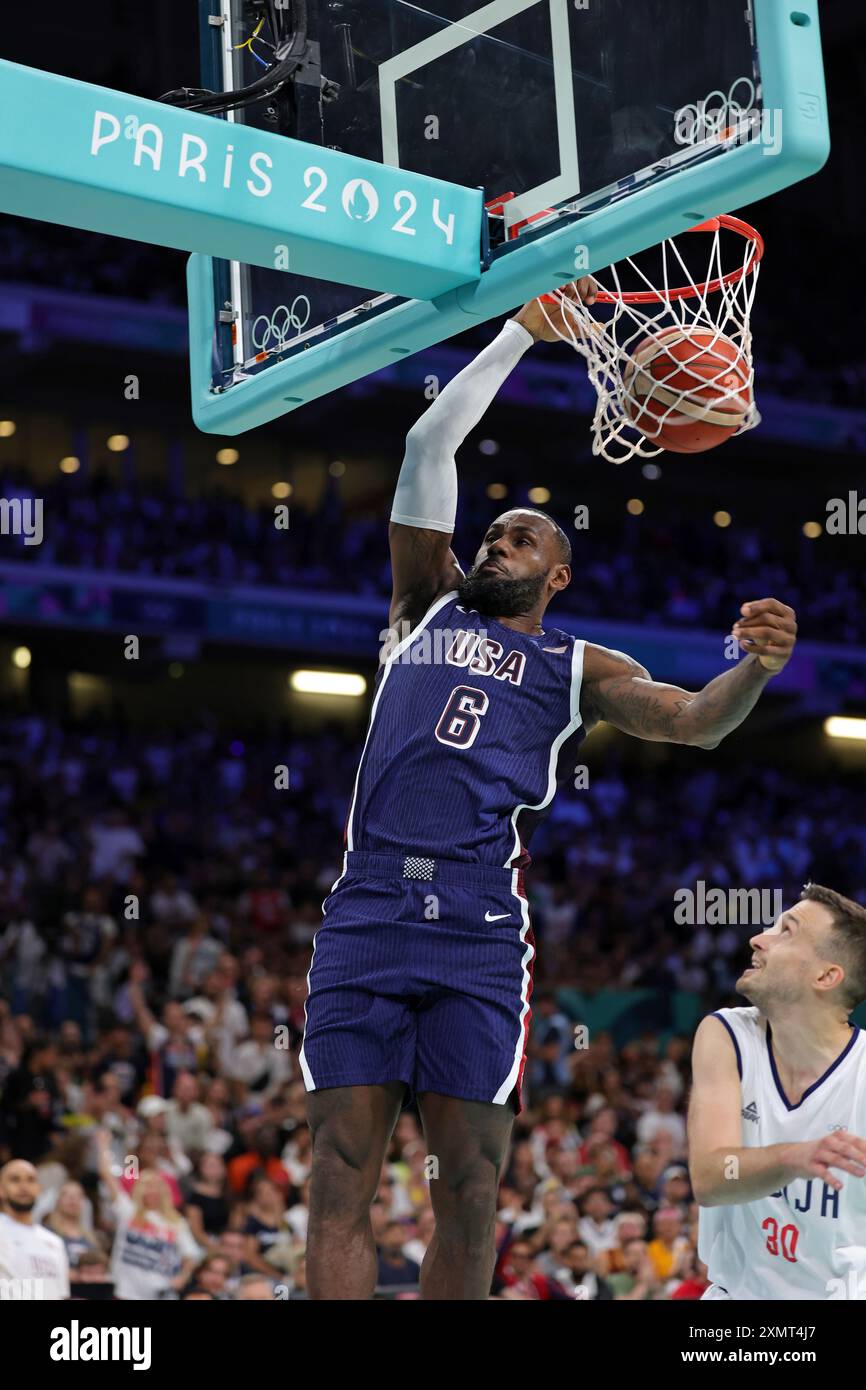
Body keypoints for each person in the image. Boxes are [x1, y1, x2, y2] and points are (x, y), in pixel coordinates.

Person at [301, 285, 799, 1301]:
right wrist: (513, 337)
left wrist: (751, 667)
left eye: (520, 540)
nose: (494, 545)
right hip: (367, 908)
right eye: (490, 535)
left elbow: (693, 721)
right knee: (340, 1169)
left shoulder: (578, 666)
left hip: (480, 924)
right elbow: (425, 446)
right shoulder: (420, 602)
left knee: (472, 1187)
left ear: (556, 576)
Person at [690, 883, 866, 1300]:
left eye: (786, 930)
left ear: (826, 976)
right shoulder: (727, 1034)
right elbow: (711, 1177)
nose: (758, 938)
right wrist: (795, 1156)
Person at [0, 1158, 70, 1299]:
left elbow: (62, 1294)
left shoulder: (55, 1242)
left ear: (39, 1188)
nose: (24, 1187)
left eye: (31, 1180)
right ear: (1, 1189)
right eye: (15, 1179)